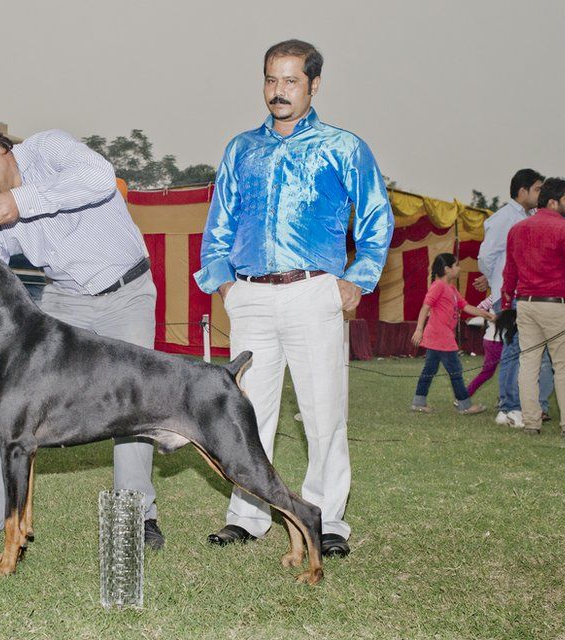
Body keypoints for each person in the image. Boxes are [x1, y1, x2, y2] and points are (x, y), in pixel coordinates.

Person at [0, 114, 166, 550]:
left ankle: (137, 514)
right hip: (64, 301)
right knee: (10, 402)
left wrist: (23, 201)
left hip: (126, 294)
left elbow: (100, 178)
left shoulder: (49, 148)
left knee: (133, 402)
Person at [195, 40, 394, 558]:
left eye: (290, 81)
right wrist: (225, 285)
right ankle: (248, 515)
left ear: (314, 85)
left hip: (313, 293)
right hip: (251, 295)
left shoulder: (343, 147)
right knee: (246, 413)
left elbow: (376, 218)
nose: (278, 91)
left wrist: (357, 279)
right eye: (271, 80)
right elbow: (218, 224)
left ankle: (326, 520)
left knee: (323, 413)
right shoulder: (241, 148)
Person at [500, 177, 565, 436]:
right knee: (564, 368)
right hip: (556, 305)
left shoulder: (517, 229)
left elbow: (509, 273)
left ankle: (531, 422)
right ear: (553, 202)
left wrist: (507, 304)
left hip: (526, 304)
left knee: (528, 365)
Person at [477, 169, 555, 427]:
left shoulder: (530, 217)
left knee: (530, 350)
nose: (541, 194)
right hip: (509, 294)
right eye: (537, 189)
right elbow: (486, 257)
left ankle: (522, 406)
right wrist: (496, 281)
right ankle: (510, 407)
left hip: (529, 293)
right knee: (514, 349)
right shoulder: (504, 218)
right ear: (523, 191)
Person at [411, 254, 494, 414]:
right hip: (441, 337)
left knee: (429, 370)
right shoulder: (438, 286)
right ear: (447, 269)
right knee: (455, 370)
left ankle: (418, 402)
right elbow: (425, 307)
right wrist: (419, 329)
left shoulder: (452, 289)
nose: (459, 268)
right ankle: (465, 406)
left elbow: (466, 307)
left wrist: (487, 315)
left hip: (437, 338)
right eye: (456, 265)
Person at [465, 297, 503, 399]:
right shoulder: (501, 295)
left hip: (490, 339)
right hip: (499, 340)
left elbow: (479, 308)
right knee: (510, 371)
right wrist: (492, 318)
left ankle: (464, 396)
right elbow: (479, 308)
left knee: (487, 372)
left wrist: (489, 317)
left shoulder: (494, 296)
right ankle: (506, 400)